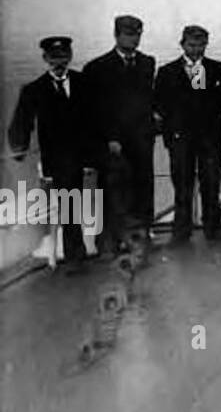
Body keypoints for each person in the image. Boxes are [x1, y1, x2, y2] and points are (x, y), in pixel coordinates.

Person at [7, 36, 97, 271]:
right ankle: (75, 256)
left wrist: (97, 151)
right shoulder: (34, 90)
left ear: (70, 57)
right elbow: (21, 121)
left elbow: (97, 118)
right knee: (69, 206)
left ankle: (94, 247)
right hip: (57, 158)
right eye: (54, 58)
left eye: (63, 57)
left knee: (86, 200)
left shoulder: (85, 82)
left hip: (85, 154)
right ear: (46, 59)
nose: (59, 62)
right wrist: (19, 148)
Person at [82, 14, 156, 248]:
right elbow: (95, 109)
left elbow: (148, 98)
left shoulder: (147, 63)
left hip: (142, 138)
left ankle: (142, 236)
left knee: (143, 186)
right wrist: (110, 137)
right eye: (128, 34)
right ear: (116, 35)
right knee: (113, 190)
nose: (133, 39)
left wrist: (155, 120)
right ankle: (110, 240)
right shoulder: (97, 68)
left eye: (137, 35)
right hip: (114, 142)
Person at [154, 26, 221, 243]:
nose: (196, 49)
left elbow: (218, 100)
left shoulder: (215, 68)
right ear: (182, 44)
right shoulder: (166, 72)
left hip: (208, 138)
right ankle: (181, 230)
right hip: (180, 138)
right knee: (182, 184)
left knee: (210, 183)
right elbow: (159, 104)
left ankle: (212, 227)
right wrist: (172, 131)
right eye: (192, 45)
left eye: (201, 45)